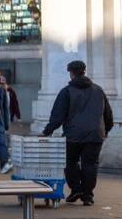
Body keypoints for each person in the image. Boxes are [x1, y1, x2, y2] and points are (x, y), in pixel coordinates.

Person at [42, 59, 114, 205]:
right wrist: (106, 129)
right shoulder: (98, 90)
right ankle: (88, 196)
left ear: (71, 74)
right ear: (84, 71)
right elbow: (108, 114)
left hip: (73, 135)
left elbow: (58, 116)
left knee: (70, 161)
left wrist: (46, 132)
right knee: (91, 164)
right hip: (95, 134)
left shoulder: (66, 91)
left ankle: (76, 189)